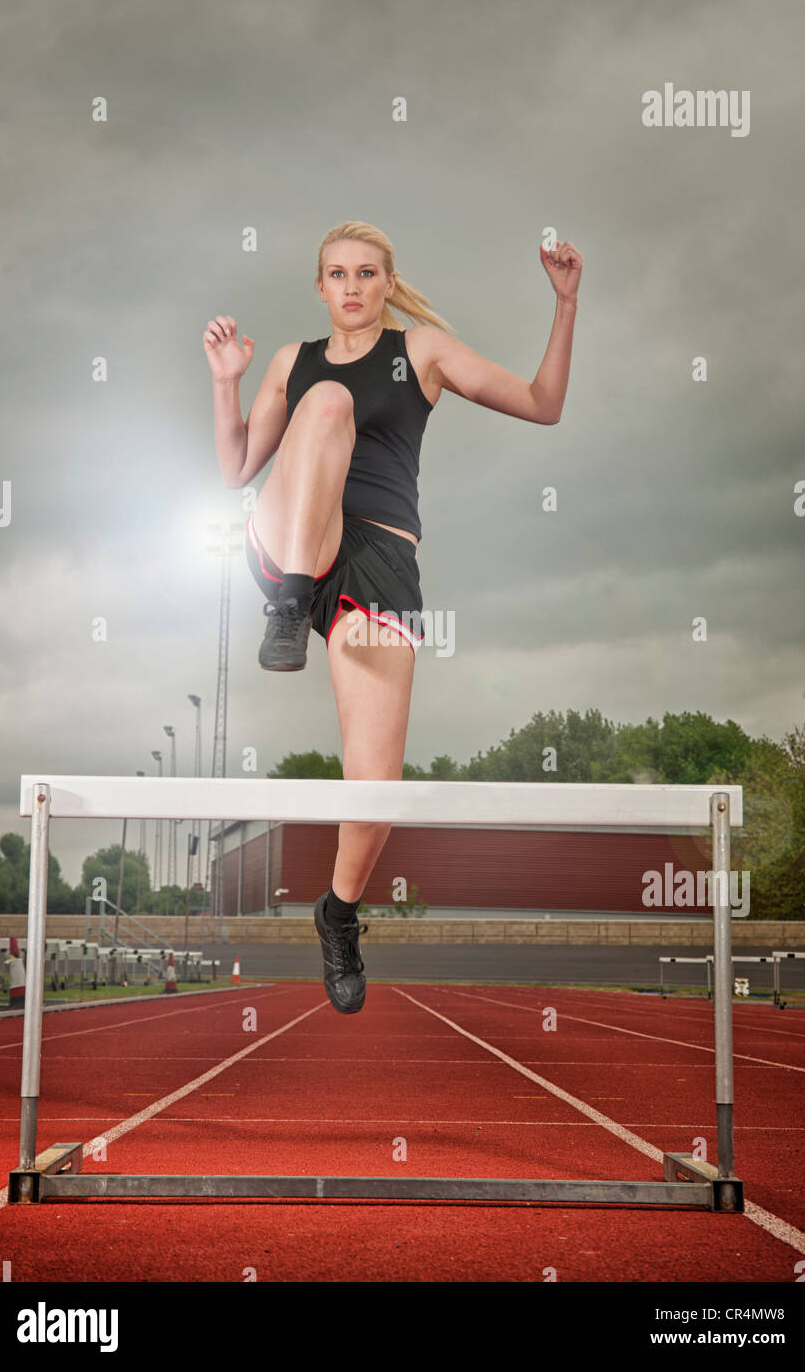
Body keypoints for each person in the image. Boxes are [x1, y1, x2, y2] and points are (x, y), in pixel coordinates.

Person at [204, 220, 582, 1014]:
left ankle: (337, 914)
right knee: (329, 401)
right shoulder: (294, 363)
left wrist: (566, 303)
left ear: (386, 282)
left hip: (377, 558)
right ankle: (287, 605)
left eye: (367, 274)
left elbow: (544, 406)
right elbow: (239, 466)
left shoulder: (424, 352)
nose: (351, 287)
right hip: (293, 541)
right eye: (337, 274)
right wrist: (227, 380)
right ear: (320, 286)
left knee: (373, 790)